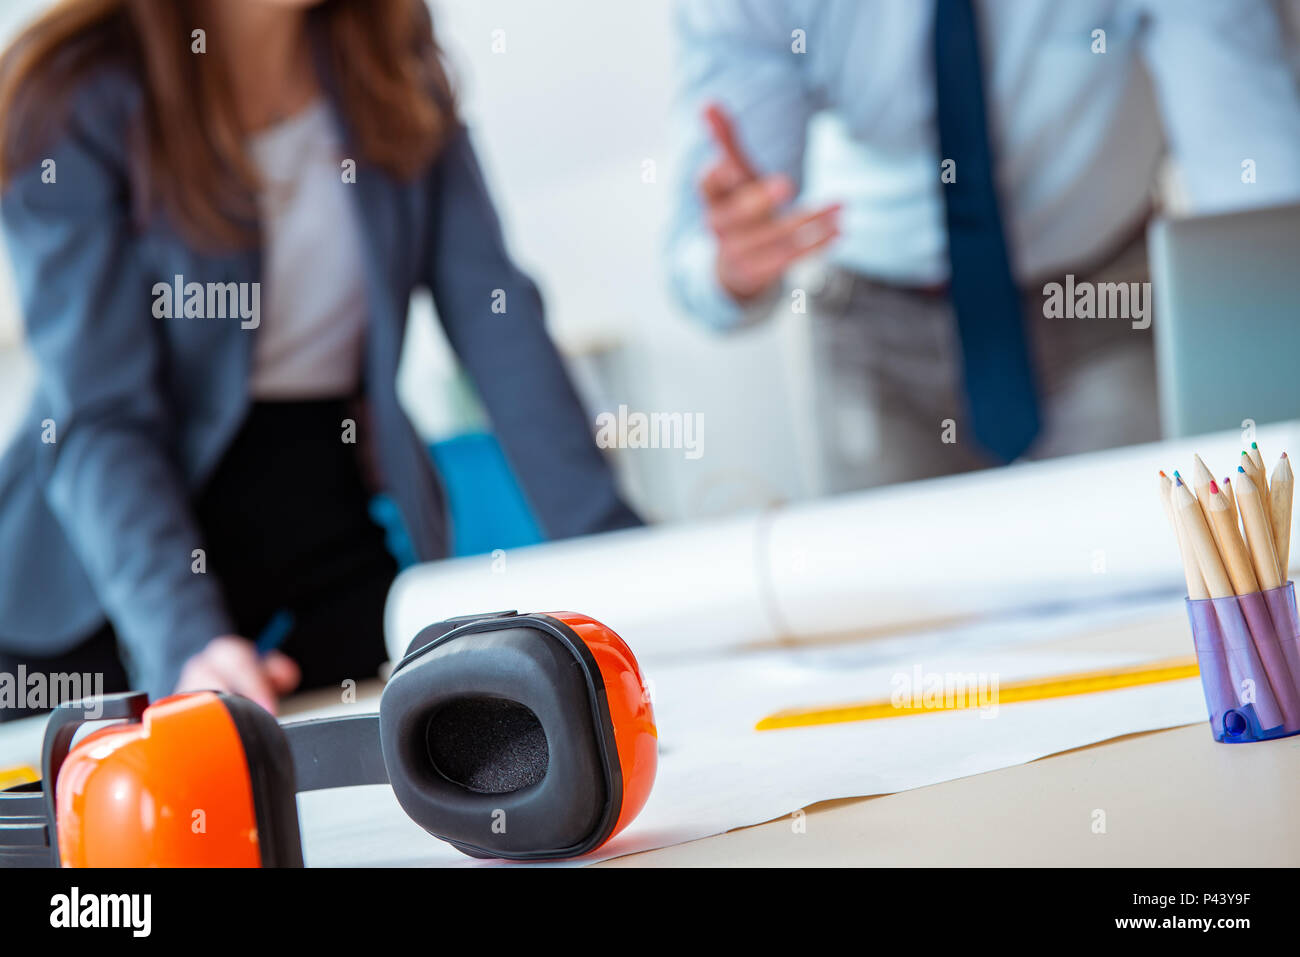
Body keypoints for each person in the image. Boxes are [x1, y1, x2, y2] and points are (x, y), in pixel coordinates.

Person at [0, 0, 639, 719]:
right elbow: (101, 417)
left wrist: (619, 562)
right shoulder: (76, 93)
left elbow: (501, 327)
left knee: (414, 744)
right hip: (100, 574)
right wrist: (185, 641)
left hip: (319, 509)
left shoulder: (389, 56)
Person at [668, 0, 1300, 493]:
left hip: (1106, 299)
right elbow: (721, 226)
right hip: (876, 331)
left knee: (1151, 575)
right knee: (894, 604)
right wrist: (736, 259)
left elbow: (1255, 184)